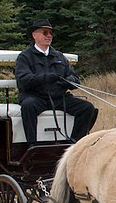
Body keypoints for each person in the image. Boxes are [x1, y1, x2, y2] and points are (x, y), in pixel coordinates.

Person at [15, 19, 96, 147]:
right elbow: (23, 81)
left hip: (59, 98)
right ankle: (32, 145)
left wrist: (68, 82)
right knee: (28, 105)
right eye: (45, 32)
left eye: (51, 33)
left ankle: (74, 143)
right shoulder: (25, 57)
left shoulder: (59, 56)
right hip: (36, 97)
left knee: (87, 108)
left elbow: (75, 79)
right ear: (34, 35)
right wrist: (46, 78)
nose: (49, 36)